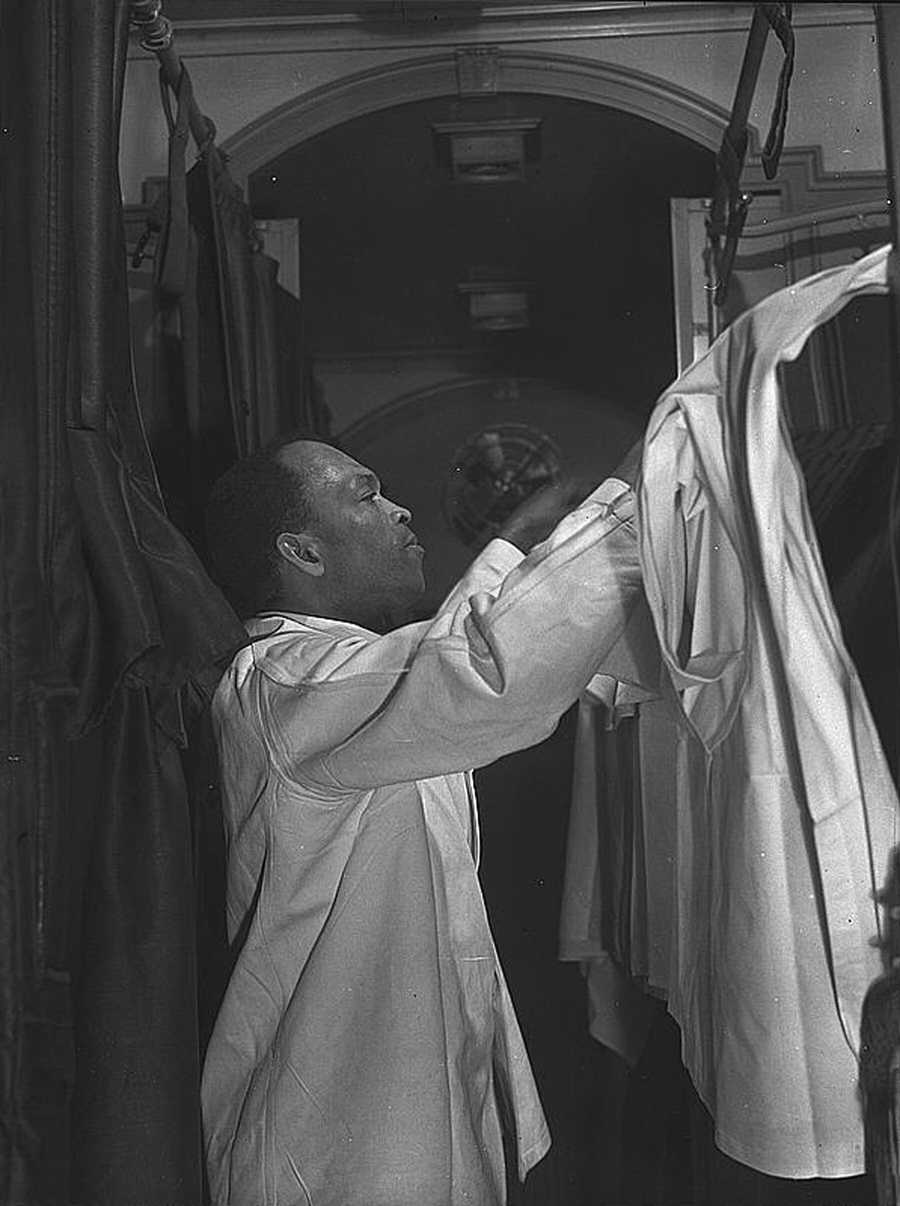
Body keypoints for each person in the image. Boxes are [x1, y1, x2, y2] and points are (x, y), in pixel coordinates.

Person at [201, 433, 649, 1206]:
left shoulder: (341, 669)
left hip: (399, 1130)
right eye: (366, 495)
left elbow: (454, 664)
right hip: (336, 1155)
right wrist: (642, 482)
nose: (400, 509)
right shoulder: (284, 677)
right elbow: (482, 673)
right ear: (302, 550)